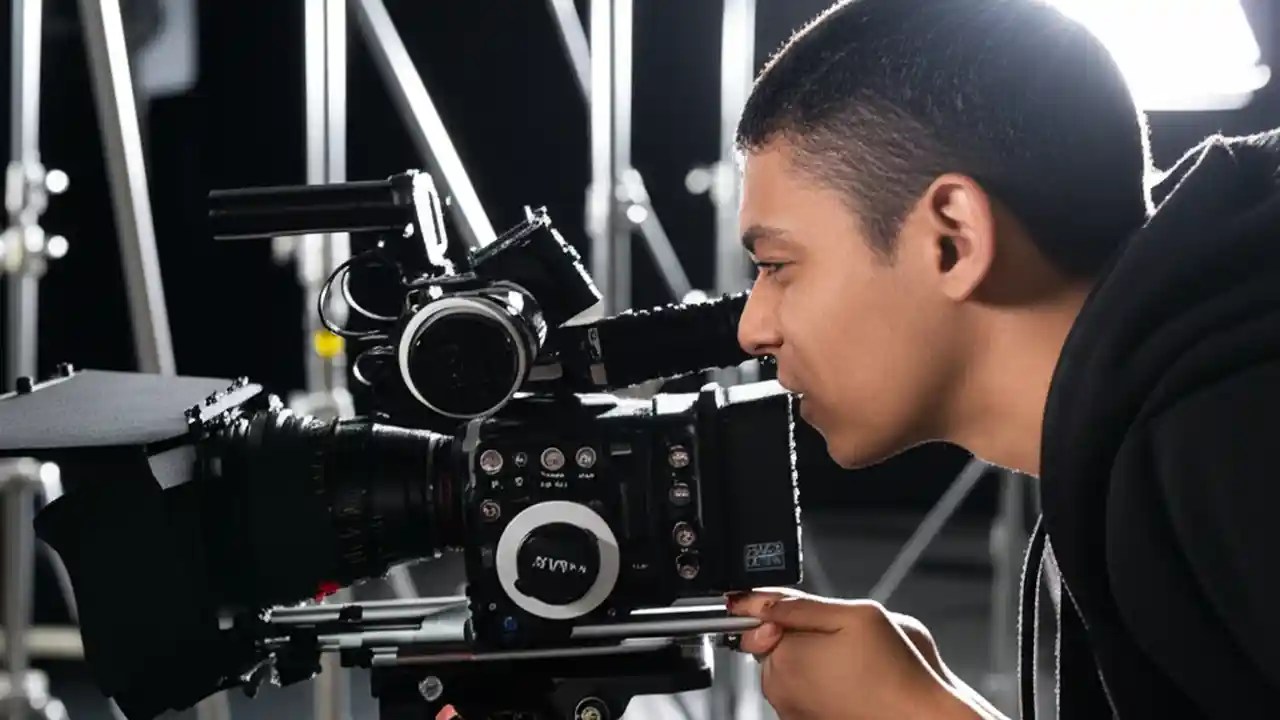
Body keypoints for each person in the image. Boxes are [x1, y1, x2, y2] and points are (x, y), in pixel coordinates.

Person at [726, 0, 1280, 718]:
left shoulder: (1231, 433)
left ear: (953, 239)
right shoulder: (1169, 405)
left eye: (777, 265)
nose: (753, 329)